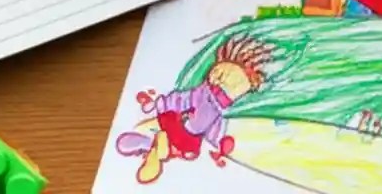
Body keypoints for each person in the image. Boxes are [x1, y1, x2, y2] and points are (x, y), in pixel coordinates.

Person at [115, 36, 273, 183]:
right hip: (175, 124)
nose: (219, 79)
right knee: (171, 124)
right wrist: (161, 103)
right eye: (217, 72)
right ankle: (156, 146)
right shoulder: (200, 93)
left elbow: (215, 129)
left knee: (185, 139)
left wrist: (220, 145)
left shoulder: (220, 111)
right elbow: (181, 100)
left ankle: (153, 146)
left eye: (230, 81)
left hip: (188, 140)